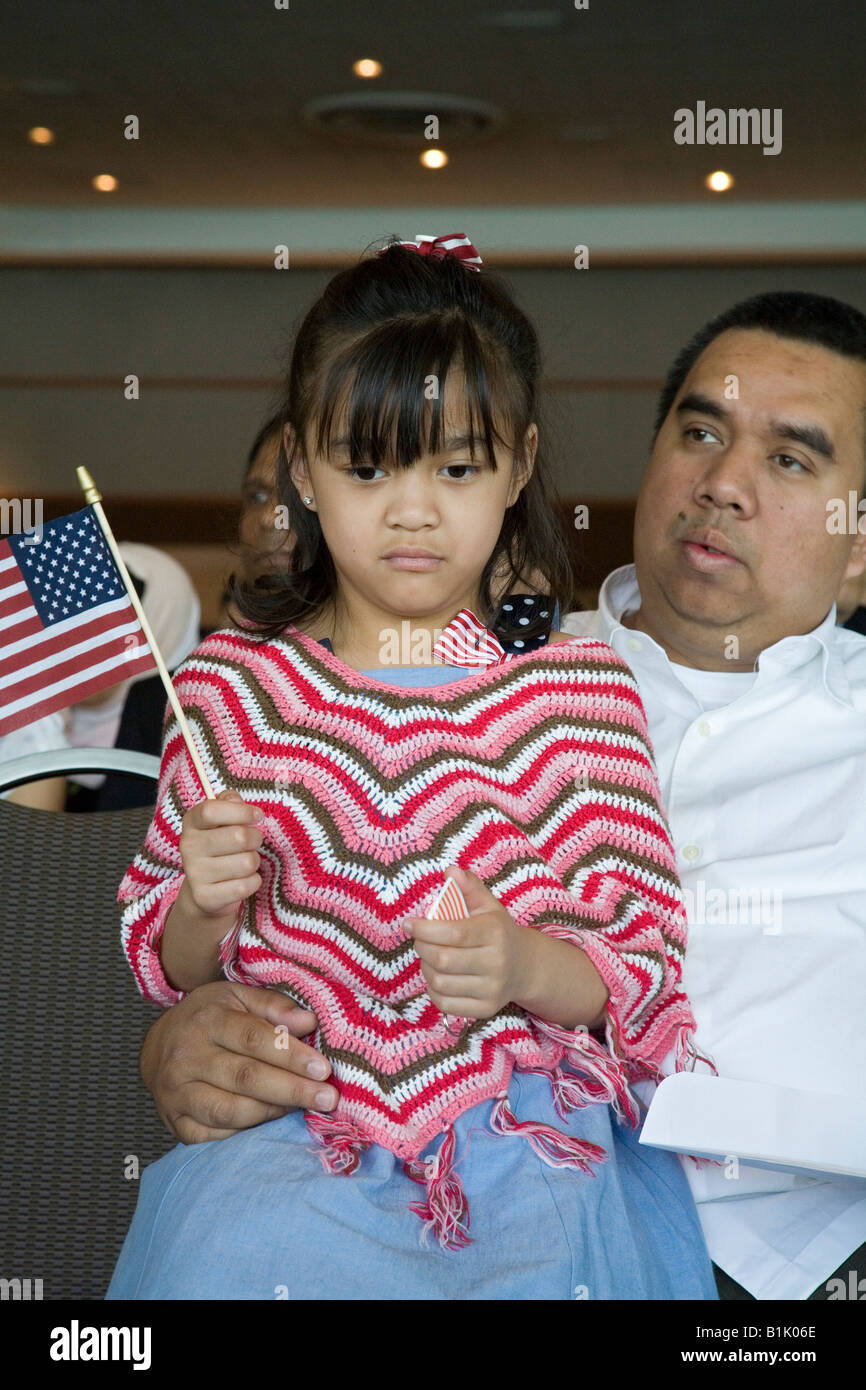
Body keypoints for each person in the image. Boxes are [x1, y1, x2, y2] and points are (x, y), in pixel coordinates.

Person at [106, 232, 717, 1301]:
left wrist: (527, 966)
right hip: (293, 1127)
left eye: (457, 466)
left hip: (527, 1140)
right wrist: (201, 901)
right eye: (367, 465)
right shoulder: (229, 690)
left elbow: (636, 957)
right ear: (301, 464)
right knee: (234, 1256)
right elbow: (175, 961)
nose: (413, 508)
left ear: (519, 464)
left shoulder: (576, 693)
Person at [559, 291, 866, 1301]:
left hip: (777, 1267)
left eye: (788, 458)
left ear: (857, 544)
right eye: (699, 432)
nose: (721, 483)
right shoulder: (472, 683)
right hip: (460, 1207)